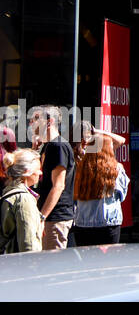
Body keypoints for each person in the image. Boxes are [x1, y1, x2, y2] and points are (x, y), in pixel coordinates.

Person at [71, 126, 129, 246]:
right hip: (108, 222)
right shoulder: (116, 169)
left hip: (82, 222)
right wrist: (98, 131)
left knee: (86, 261)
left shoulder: (80, 167)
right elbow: (122, 195)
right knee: (108, 261)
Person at [28, 105, 75, 251]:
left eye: (36, 118)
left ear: (49, 122)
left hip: (55, 218)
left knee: (52, 266)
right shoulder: (49, 145)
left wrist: (42, 217)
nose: (31, 123)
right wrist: (34, 151)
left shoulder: (58, 146)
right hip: (51, 217)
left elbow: (58, 186)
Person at [0, 149, 42, 253]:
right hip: (21, 264)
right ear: (27, 171)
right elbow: (28, 244)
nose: (40, 172)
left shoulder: (8, 192)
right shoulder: (24, 199)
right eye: (38, 169)